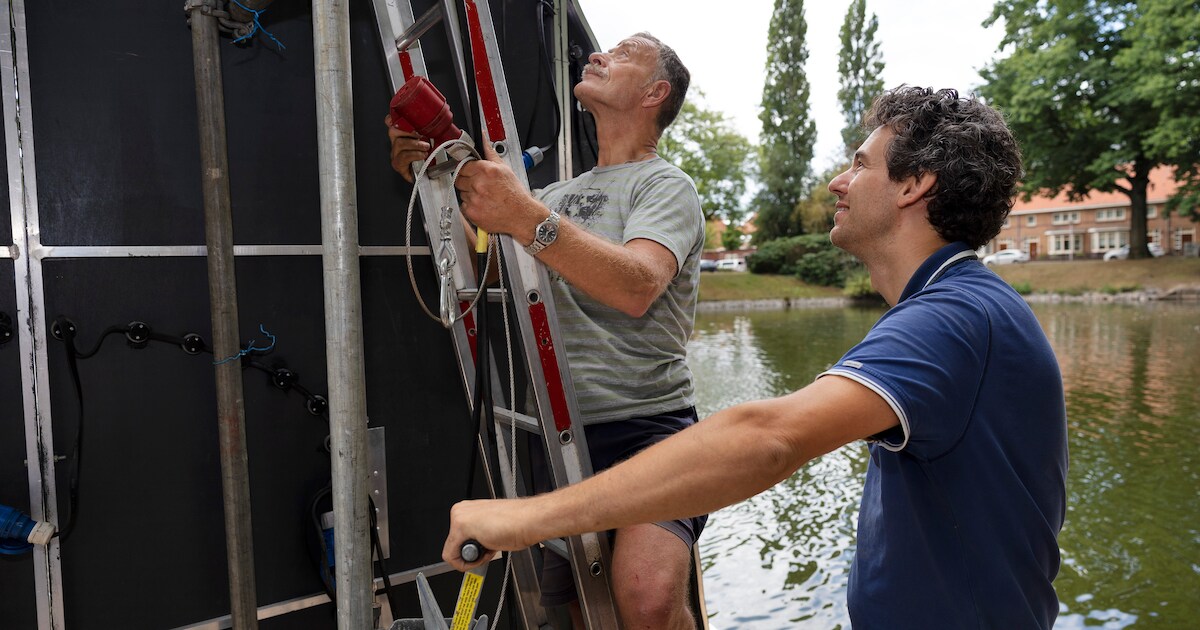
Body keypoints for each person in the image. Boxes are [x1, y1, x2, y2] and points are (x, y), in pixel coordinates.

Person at [441, 86, 1070, 629]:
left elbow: (767, 437)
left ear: (914, 185)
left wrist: (523, 520)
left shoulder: (956, 318)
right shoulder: (953, 305)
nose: (838, 182)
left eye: (860, 164)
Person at [387, 33, 706, 629]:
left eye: (624, 55)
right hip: (558, 430)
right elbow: (478, 273)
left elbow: (637, 285)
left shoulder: (665, 186)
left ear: (655, 93)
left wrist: (525, 215)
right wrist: (427, 175)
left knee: (648, 600)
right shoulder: (554, 196)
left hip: (649, 425)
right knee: (589, 612)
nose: (598, 55)